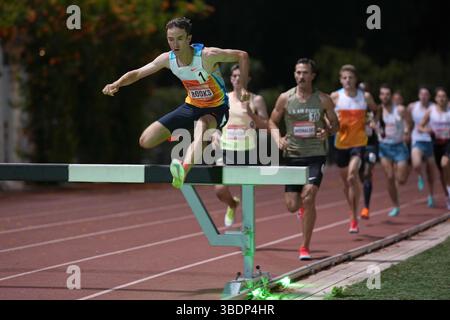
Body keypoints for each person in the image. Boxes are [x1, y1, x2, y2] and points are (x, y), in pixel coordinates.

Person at [102, 17, 250, 189]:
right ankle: (182, 144)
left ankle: (183, 171)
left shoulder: (207, 56)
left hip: (216, 108)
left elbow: (242, 55)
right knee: (146, 140)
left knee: (202, 127)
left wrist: (244, 88)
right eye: (171, 39)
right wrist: (116, 84)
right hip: (192, 106)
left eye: (180, 38)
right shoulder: (168, 59)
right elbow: (137, 73)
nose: (175, 44)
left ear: (189, 38)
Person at [269, 58, 339, 260]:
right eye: (298, 72)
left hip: (316, 155)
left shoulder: (323, 100)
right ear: (294, 74)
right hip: (292, 155)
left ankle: (304, 246)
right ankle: (301, 208)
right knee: (292, 205)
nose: (301, 76)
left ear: (312, 76)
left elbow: (336, 125)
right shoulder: (285, 98)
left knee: (309, 197)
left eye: (305, 73)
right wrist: (278, 138)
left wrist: (327, 131)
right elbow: (272, 122)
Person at [215, 64, 269, 227]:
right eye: (235, 76)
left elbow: (266, 125)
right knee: (219, 189)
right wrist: (214, 133)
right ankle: (232, 204)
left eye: (241, 76)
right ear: (231, 79)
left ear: (248, 79)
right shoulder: (223, 98)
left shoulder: (256, 99)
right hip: (226, 149)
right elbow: (213, 122)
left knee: (247, 195)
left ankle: (248, 233)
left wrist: (250, 113)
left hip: (248, 151)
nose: (238, 79)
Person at [331, 65, 378, 233]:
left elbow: (375, 110)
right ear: (340, 79)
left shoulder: (364, 96)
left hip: (359, 143)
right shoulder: (335, 97)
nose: (347, 81)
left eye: (350, 78)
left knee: (352, 177)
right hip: (340, 144)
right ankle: (352, 212)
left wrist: (372, 121)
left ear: (355, 79)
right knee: (346, 183)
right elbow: (325, 116)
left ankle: (354, 217)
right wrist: (331, 121)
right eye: (344, 78)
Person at [377, 84, 411, 216]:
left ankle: (406, 169)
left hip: (399, 146)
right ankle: (395, 205)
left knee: (401, 179)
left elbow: (409, 122)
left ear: (391, 96)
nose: (385, 96)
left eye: (387, 94)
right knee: (390, 177)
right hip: (384, 146)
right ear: (380, 96)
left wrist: (407, 130)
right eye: (382, 94)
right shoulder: (378, 110)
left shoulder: (400, 109)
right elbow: (371, 123)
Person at [419, 87, 450, 209]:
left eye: (444, 96)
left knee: (445, 163)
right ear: (436, 99)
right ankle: (447, 194)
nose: (442, 98)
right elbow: (420, 126)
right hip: (436, 144)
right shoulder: (431, 111)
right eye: (439, 96)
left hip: (449, 142)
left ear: (446, 98)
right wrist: (427, 130)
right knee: (442, 172)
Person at [407, 87, 437, 207]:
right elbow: (408, 120)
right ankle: (420, 175)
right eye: (422, 94)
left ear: (429, 96)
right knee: (417, 163)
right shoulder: (412, 107)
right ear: (419, 95)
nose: (424, 96)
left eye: (426, 94)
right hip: (417, 139)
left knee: (431, 170)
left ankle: (431, 195)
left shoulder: (433, 107)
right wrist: (406, 131)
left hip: (430, 141)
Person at [358, 82, 379, 219]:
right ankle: (366, 185)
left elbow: (375, 126)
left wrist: (372, 124)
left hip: (370, 145)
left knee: (366, 173)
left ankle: (366, 207)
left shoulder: (372, 111)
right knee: (361, 176)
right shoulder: (351, 110)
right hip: (357, 146)